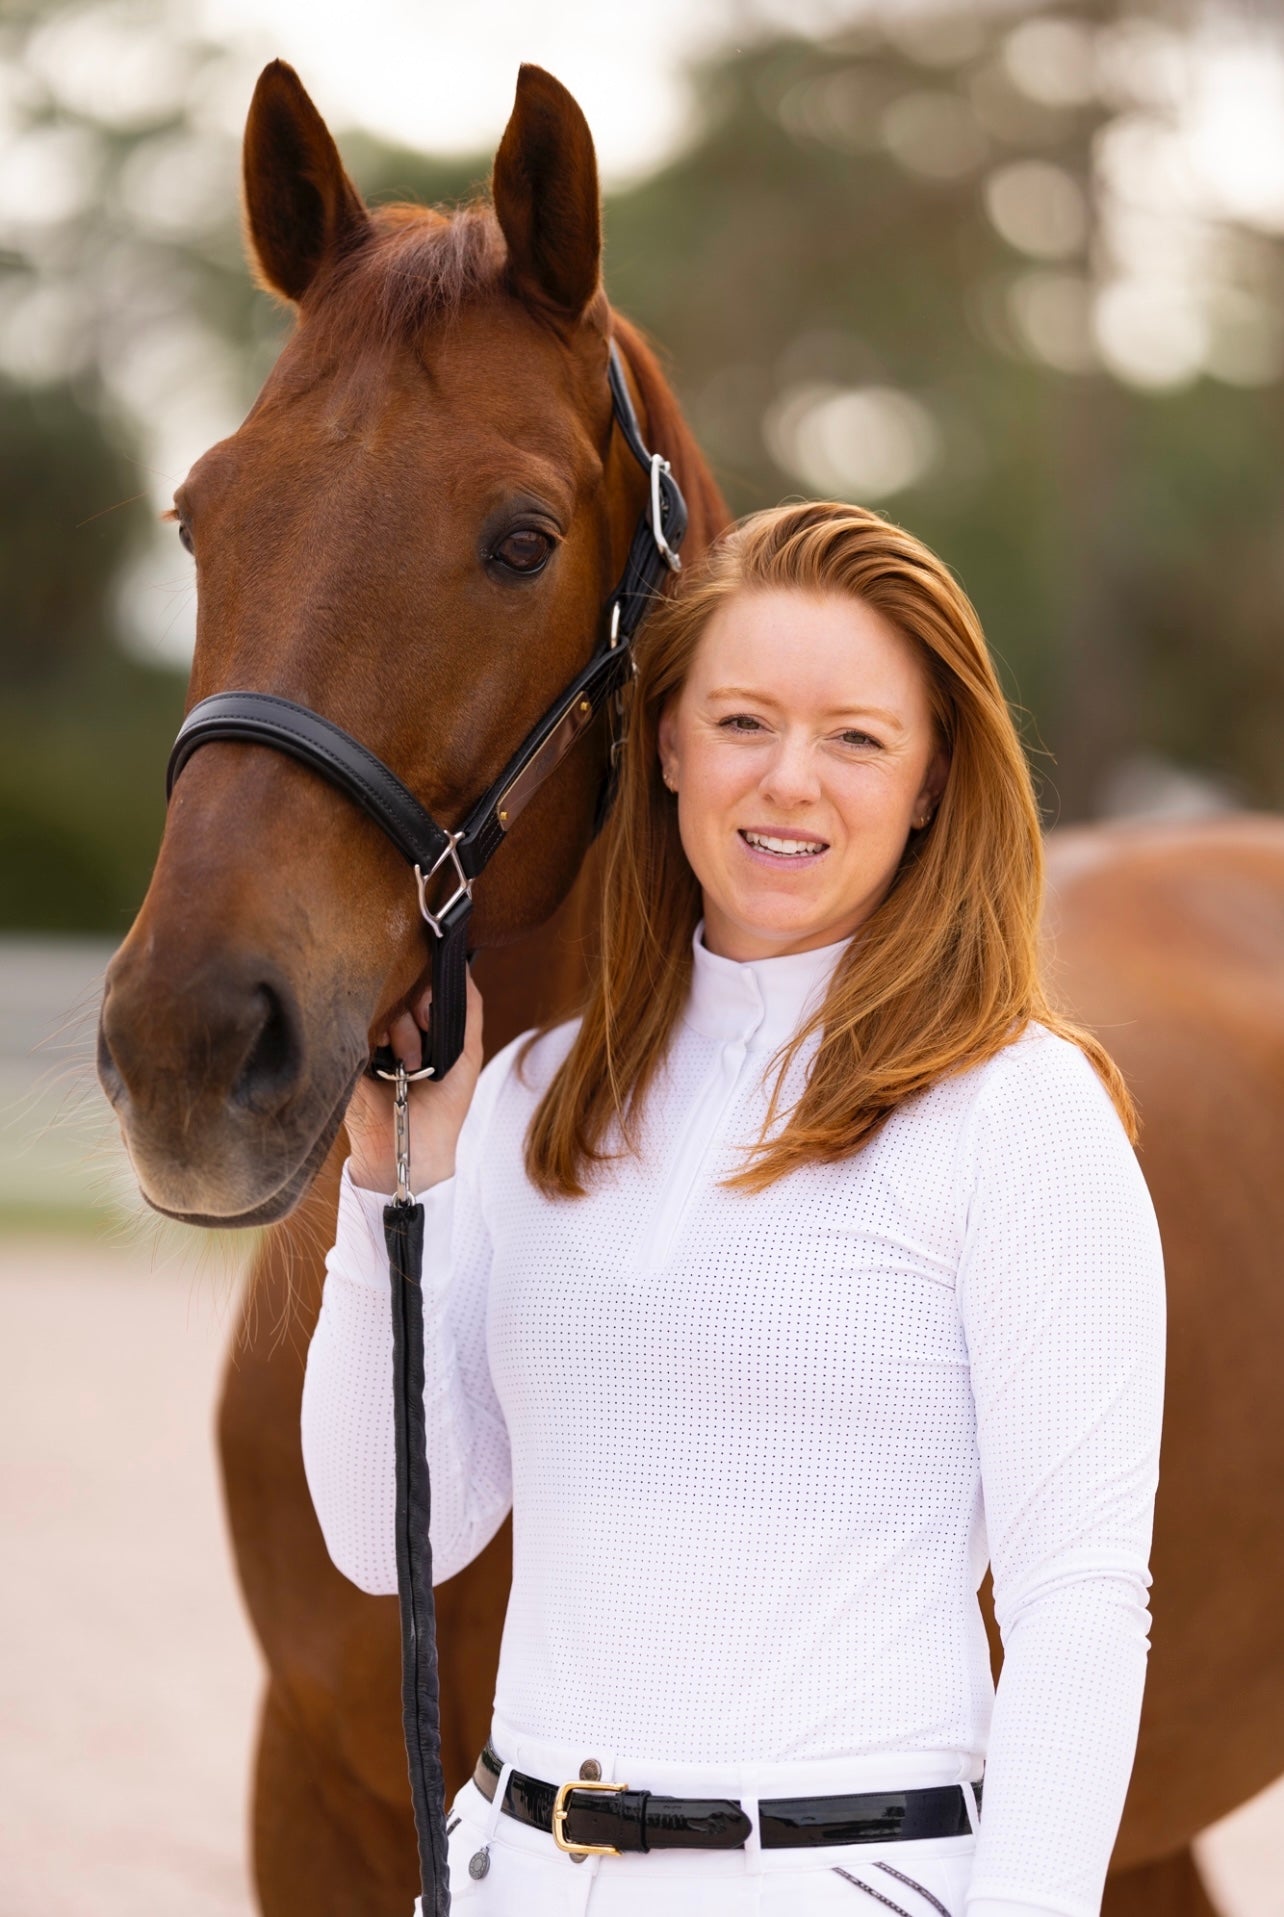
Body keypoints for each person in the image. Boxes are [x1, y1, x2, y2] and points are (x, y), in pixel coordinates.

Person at [300, 501, 1166, 1917]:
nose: (791, 781)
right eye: (746, 719)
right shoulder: (527, 1093)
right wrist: (408, 1171)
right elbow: (387, 1526)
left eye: (857, 736)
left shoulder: (1019, 1112)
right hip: (509, 1873)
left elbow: (1080, 1605)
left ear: (936, 776)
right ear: (667, 745)